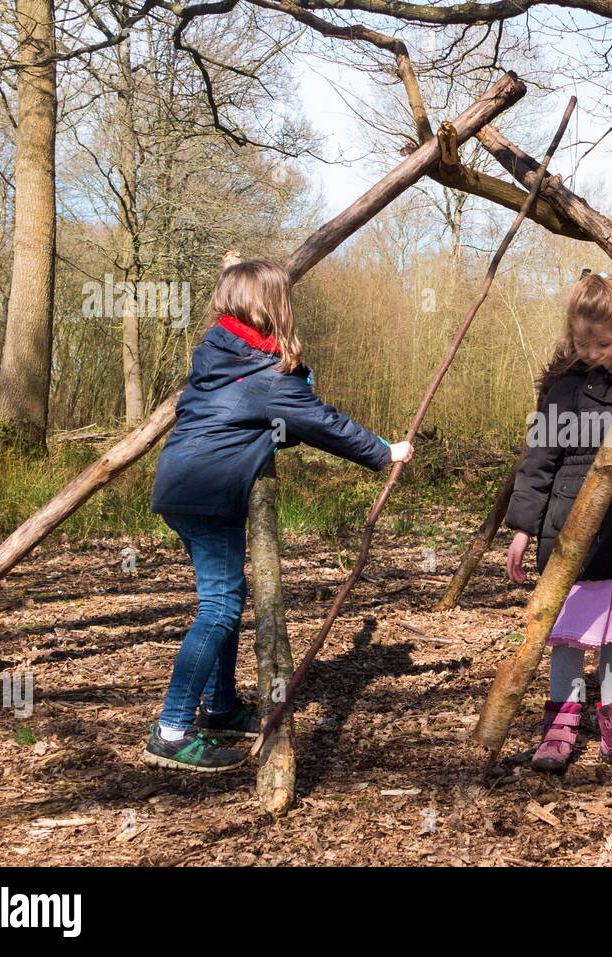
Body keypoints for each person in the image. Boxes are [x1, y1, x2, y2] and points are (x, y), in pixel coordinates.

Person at [144, 259, 413, 772]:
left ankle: (220, 707)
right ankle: (171, 730)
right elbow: (321, 423)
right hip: (206, 492)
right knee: (220, 607)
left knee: (225, 598)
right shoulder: (265, 372)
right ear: (273, 307)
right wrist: (383, 451)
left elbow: (261, 427)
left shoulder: (218, 355)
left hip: (185, 485)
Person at [505, 271, 612, 774]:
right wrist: (523, 527)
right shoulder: (563, 391)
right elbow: (538, 461)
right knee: (569, 633)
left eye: (604, 343)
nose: (593, 352)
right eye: (583, 342)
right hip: (570, 537)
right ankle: (560, 727)